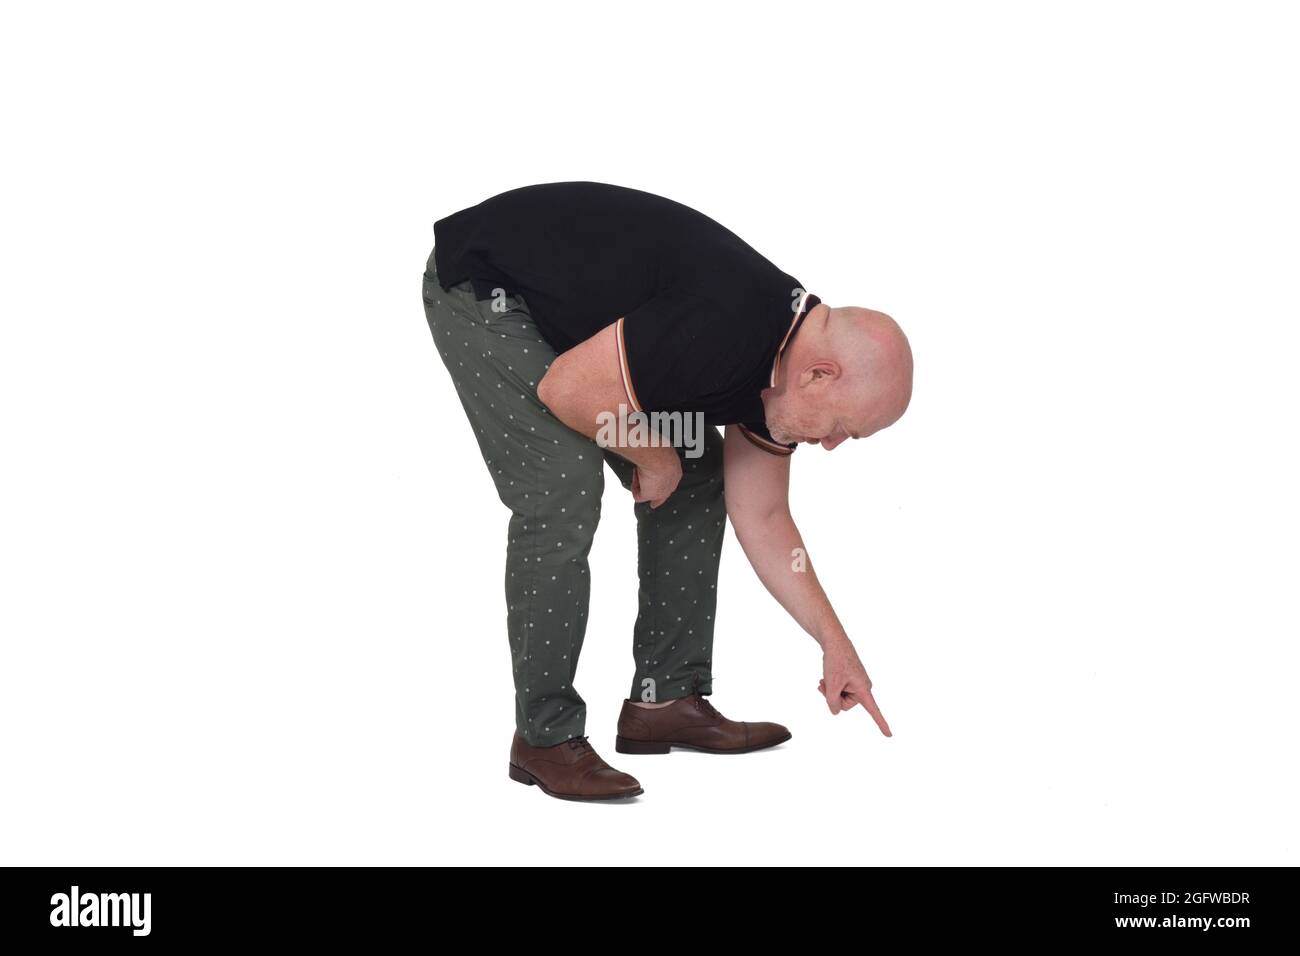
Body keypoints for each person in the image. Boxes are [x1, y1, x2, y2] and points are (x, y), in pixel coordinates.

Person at [421, 182, 912, 801]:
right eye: (844, 428)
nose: (835, 446)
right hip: (487, 287)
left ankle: (664, 699)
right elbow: (567, 391)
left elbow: (763, 516)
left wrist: (836, 647)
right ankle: (543, 738)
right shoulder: (723, 328)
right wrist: (654, 457)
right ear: (820, 375)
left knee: (698, 466)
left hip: (571, 314)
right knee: (563, 485)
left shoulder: (782, 378)